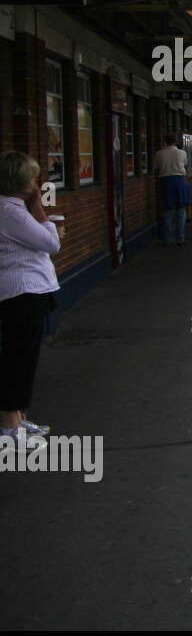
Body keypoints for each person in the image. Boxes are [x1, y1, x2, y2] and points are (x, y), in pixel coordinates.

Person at [0, 151, 59, 450]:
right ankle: (9, 427)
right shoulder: (12, 213)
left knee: (22, 356)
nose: (37, 182)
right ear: (21, 181)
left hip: (26, 291)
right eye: (34, 177)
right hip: (23, 292)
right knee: (18, 358)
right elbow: (51, 243)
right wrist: (39, 209)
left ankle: (17, 417)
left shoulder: (12, 209)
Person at [153, 133, 191, 245]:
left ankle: (167, 239)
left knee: (167, 211)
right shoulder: (182, 153)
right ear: (175, 141)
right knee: (181, 210)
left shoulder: (159, 153)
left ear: (165, 141)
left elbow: (156, 167)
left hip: (165, 182)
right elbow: (185, 164)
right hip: (180, 181)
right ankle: (180, 238)